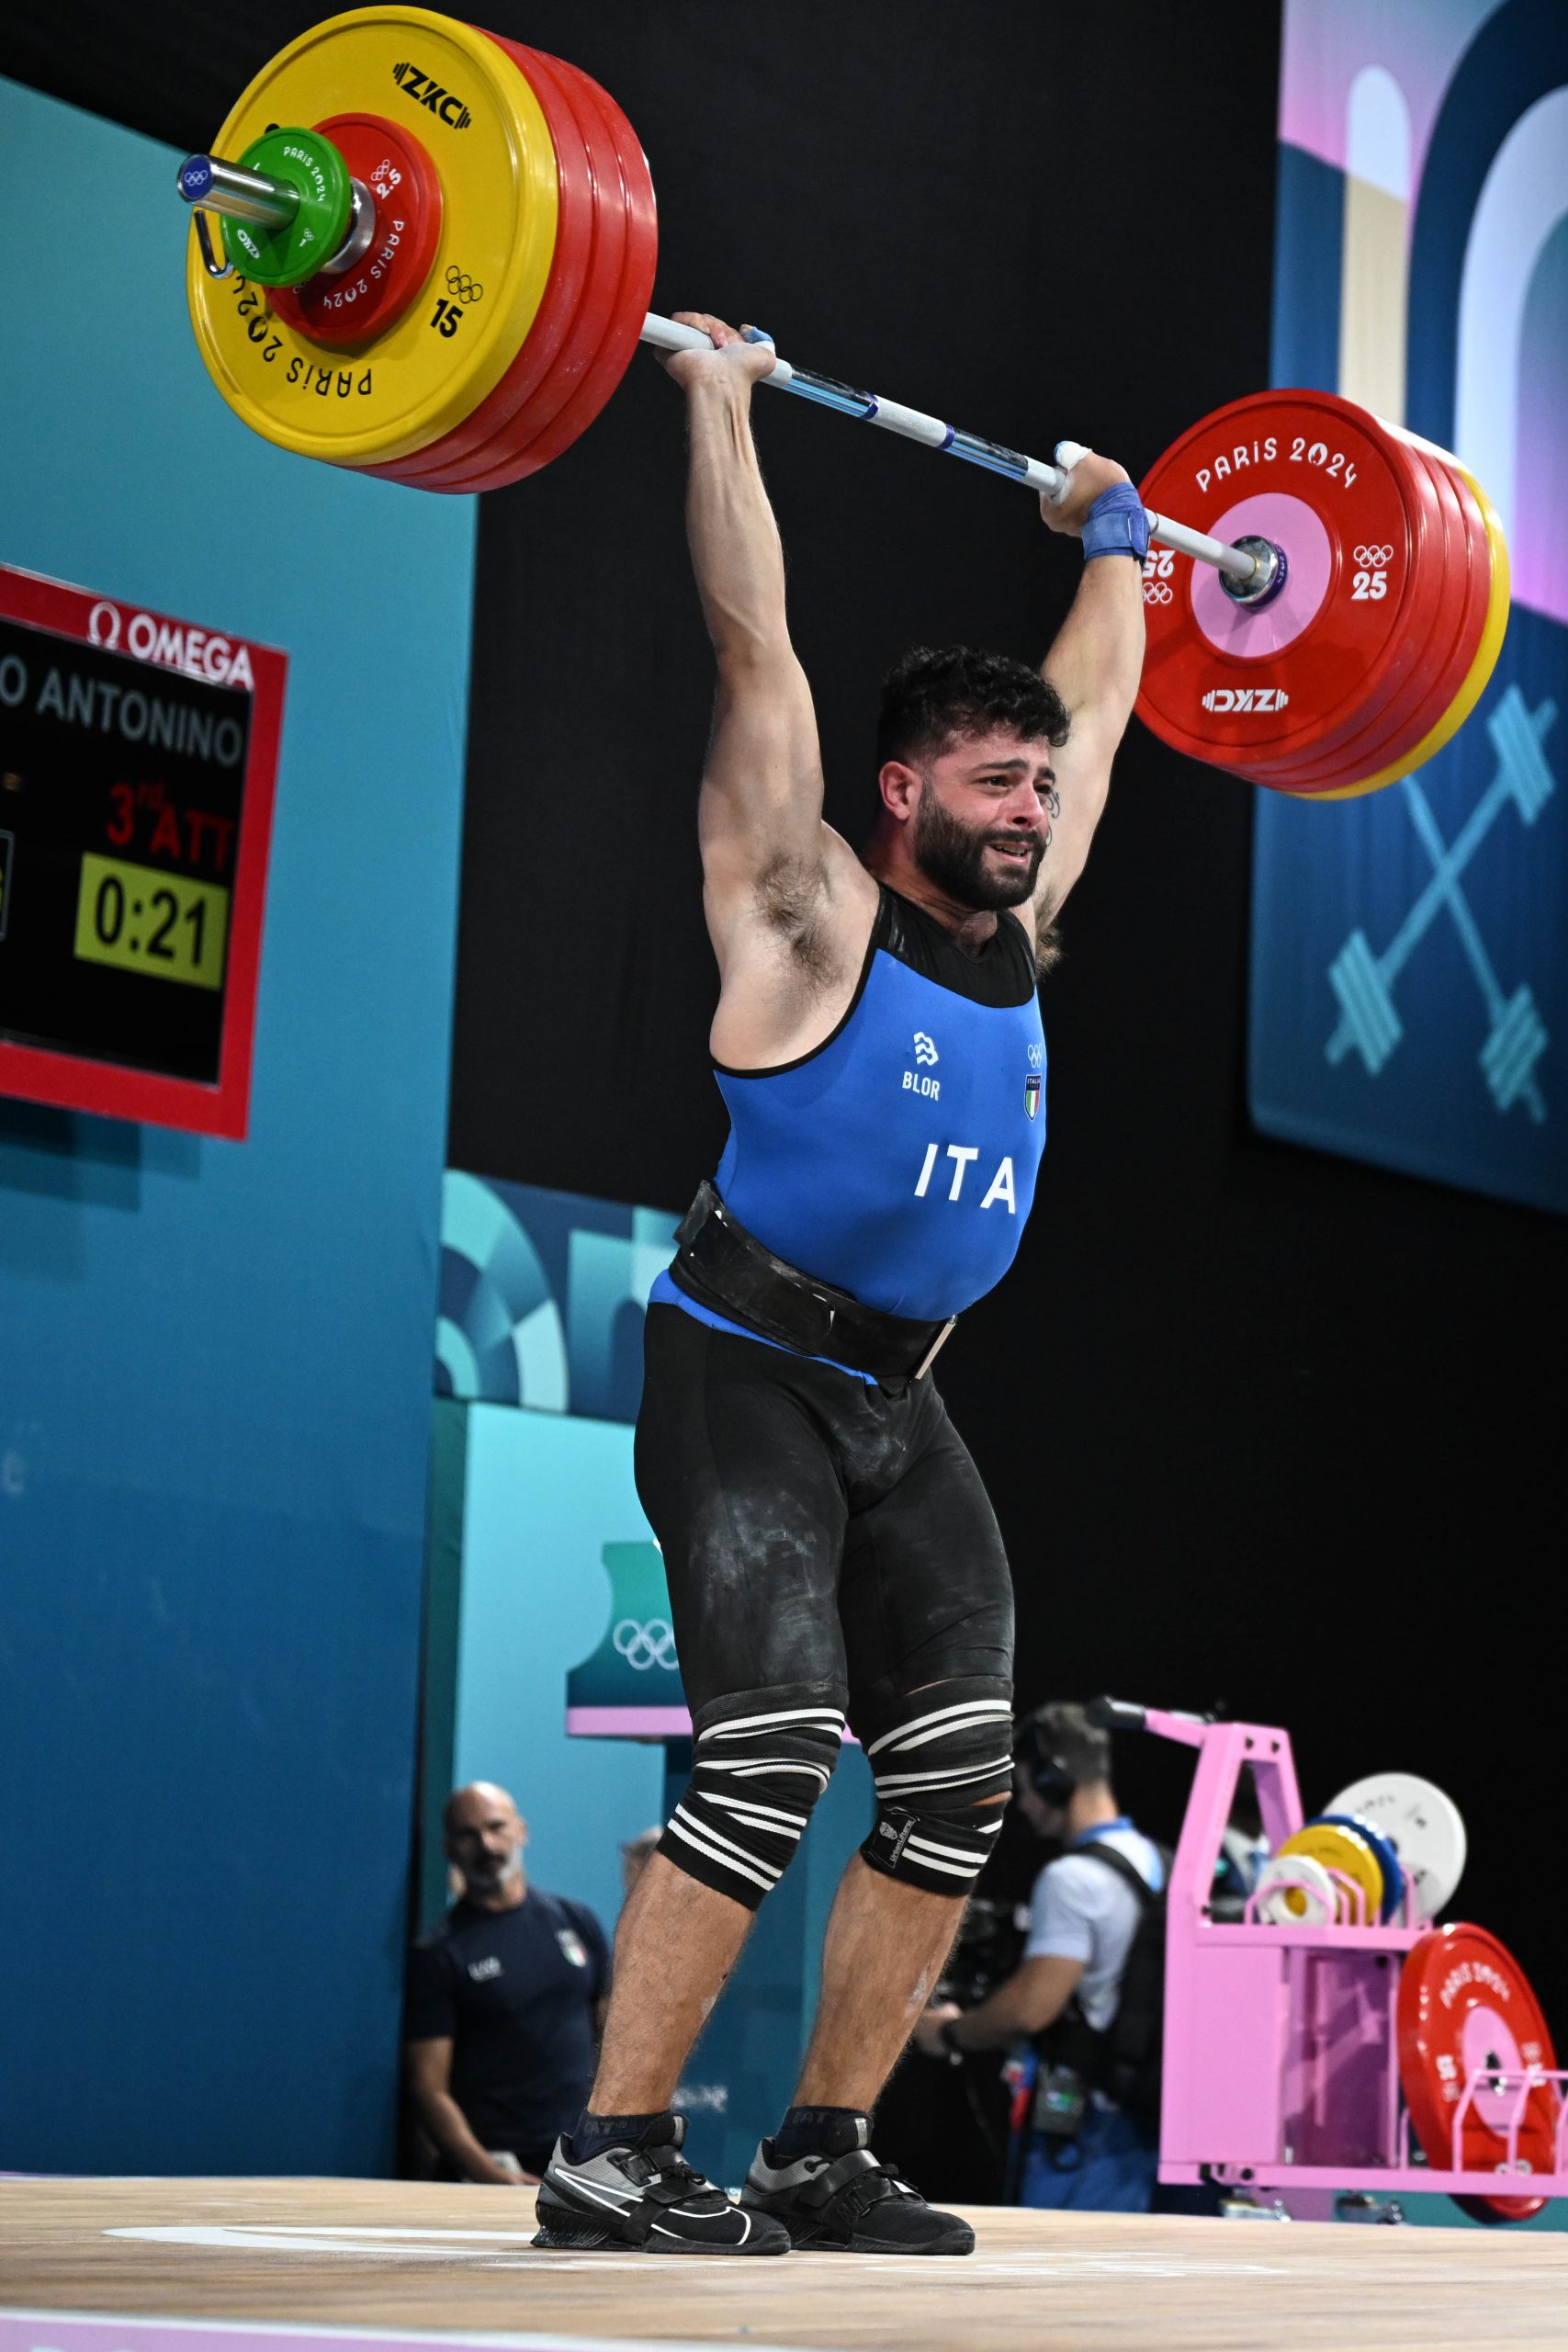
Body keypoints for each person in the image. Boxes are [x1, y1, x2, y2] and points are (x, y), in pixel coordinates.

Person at [533, 311, 1145, 2258]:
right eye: (996, 782)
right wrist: (718, 404)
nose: (1032, 807)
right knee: (772, 1745)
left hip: (903, 1397)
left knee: (956, 1775)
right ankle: (613, 2147)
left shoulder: (1022, 926)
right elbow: (754, 650)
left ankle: (820, 2142)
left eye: (1038, 788)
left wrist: (1117, 537)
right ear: (896, 790)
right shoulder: (805, 909)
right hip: (746, 1369)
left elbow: (1100, 702)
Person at [913, 1702, 1166, 2211]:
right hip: (1143, 2127)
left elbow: (1031, 2008)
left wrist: (950, 2032)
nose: (1022, 1802)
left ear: (1054, 1780)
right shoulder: (1160, 1860)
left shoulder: (1071, 1880)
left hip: (1087, 2137)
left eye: (1026, 1785)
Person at [405, 1781, 609, 2185]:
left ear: (521, 1830)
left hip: (582, 2163)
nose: (486, 1845)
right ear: (449, 1850)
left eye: (496, 1827)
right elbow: (428, 2088)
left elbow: (613, 2037)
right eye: (468, 1835)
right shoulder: (439, 1953)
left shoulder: (576, 1920)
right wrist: (490, 2175)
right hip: (501, 2170)